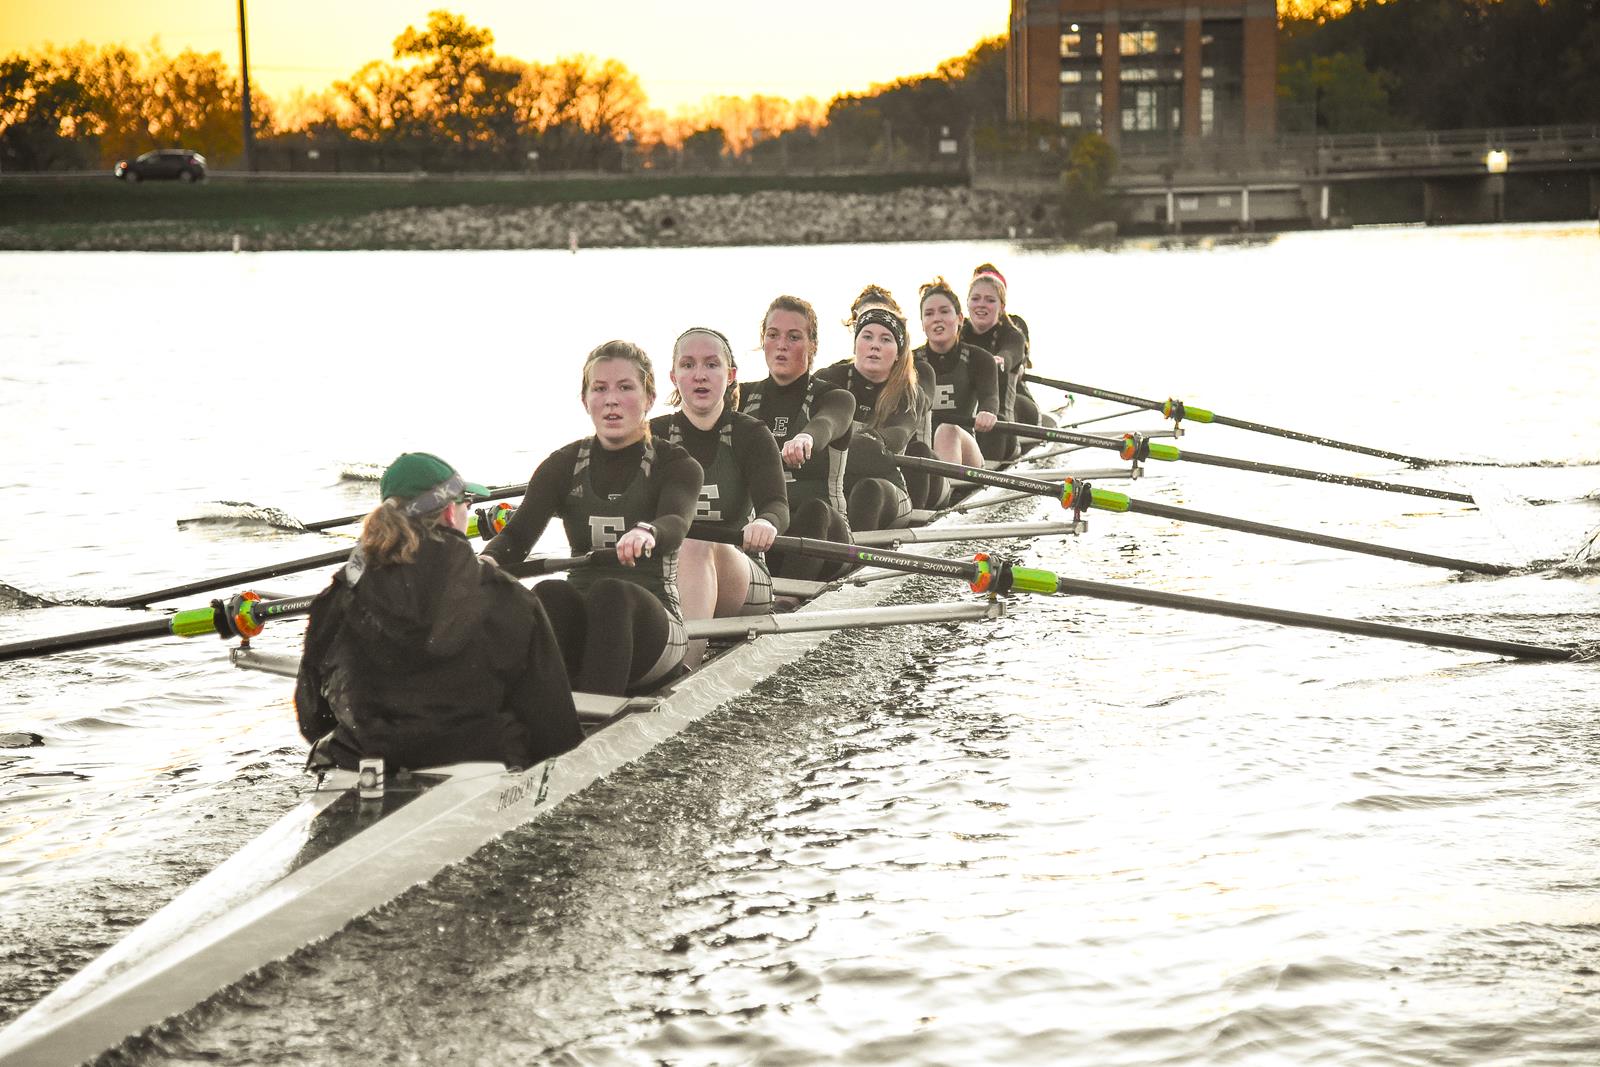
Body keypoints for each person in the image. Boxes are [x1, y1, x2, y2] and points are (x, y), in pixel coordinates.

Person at [295, 452, 584, 772]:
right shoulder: (508, 597)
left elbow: (312, 720)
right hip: (482, 764)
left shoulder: (338, 596)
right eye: (467, 503)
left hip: (363, 765)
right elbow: (556, 733)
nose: (468, 510)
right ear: (449, 512)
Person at [480, 341, 703, 696]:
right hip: (585, 626)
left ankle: (595, 715)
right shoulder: (561, 464)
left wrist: (648, 531)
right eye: (600, 389)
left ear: (649, 397)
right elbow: (517, 537)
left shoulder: (677, 464)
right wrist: (486, 562)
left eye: (625, 387)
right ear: (585, 401)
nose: (611, 399)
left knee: (611, 594)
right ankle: (543, 710)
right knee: (549, 592)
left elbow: (675, 521)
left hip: (656, 632)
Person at [649, 327, 788, 667]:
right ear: (673, 376)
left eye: (711, 364)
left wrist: (767, 523)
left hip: (742, 575)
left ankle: (685, 670)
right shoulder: (652, 436)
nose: (699, 374)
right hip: (665, 573)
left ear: (731, 375)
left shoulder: (751, 434)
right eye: (688, 365)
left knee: (695, 544)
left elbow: (776, 504)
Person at [740, 295, 856, 582]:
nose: (781, 345)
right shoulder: (740, 398)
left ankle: (787, 600)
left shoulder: (835, 397)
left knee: (815, 510)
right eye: (773, 335)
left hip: (827, 541)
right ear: (763, 340)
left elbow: (828, 423)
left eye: (793, 337)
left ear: (812, 344)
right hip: (763, 535)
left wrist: (806, 438)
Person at [815, 302, 927, 529]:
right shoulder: (828, 378)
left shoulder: (909, 393)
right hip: (833, 485)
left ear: (898, 353)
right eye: (867, 337)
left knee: (868, 490)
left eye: (885, 339)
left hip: (886, 488)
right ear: (855, 344)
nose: (874, 345)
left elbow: (897, 436)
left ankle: (857, 548)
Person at [914, 277, 999, 468]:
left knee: (947, 431)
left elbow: (990, 398)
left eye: (944, 311)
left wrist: (987, 413)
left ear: (960, 319)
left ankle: (946, 484)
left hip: (966, 451)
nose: (937, 318)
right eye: (929, 314)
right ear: (922, 324)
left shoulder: (980, 359)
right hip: (923, 454)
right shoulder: (909, 363)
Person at [962, 263, 1036, 461]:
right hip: (965, 424)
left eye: (990, 300)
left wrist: (997, 361)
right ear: (967, 303)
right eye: (975, 299)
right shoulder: (958, 335)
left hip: (1003, 425)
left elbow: (1008, 356)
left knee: (993, 423)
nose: (981, 304)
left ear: (1002, 307)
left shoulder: (1013, 336)